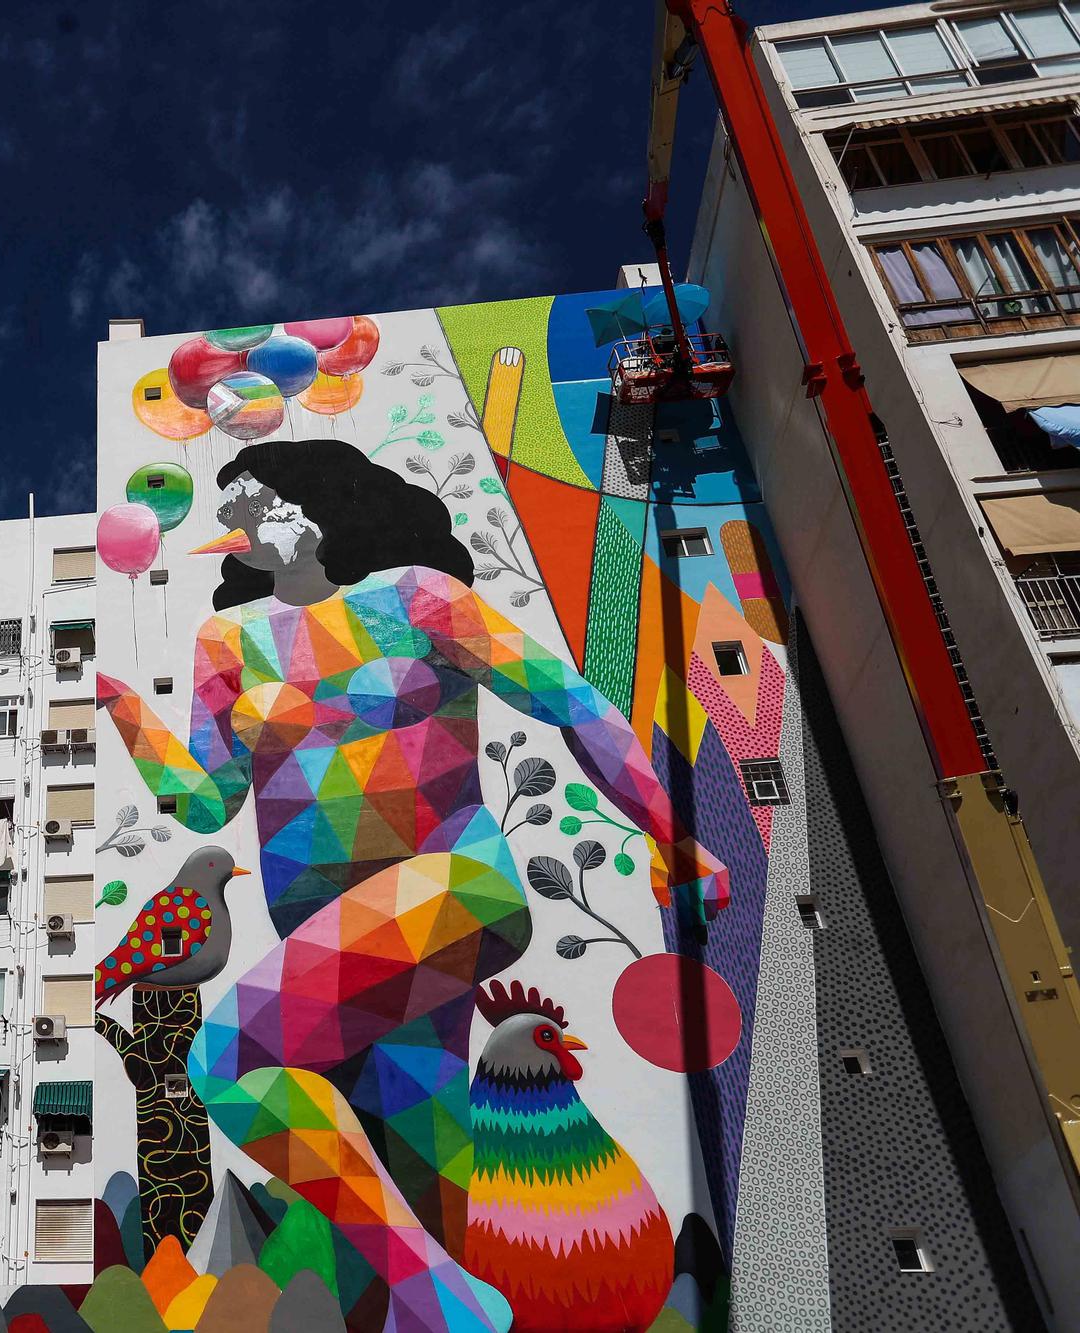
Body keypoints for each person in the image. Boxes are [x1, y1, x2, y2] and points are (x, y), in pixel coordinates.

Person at [97, 439, 726, 1333]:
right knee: (425, 1159)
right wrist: (123, 707)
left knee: (232, 1059)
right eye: (228, 510)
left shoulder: (417, 600)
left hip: (454, 886)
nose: (231, 521)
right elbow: (206, 803)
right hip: (329, 938)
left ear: (322, 507)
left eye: (252, 501)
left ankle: (446, 1306)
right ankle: (477, 1302)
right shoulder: (224, 642)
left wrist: (673, 831)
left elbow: (569, 701)